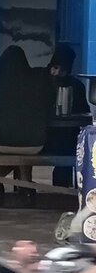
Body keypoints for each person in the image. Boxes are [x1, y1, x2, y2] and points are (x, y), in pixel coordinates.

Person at [0, 45, 52, 203]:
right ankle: (26, 187)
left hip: (1, 143)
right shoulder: (38, 83)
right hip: (35, 145)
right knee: (27, 135)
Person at [45, 44, 89, 187]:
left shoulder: (75, 86)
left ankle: (62, 190)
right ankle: (64, 192)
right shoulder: (75, 85)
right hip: (51, 139)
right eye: (55, 68)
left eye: (62, 69)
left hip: (57, 139)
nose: (57, 73)